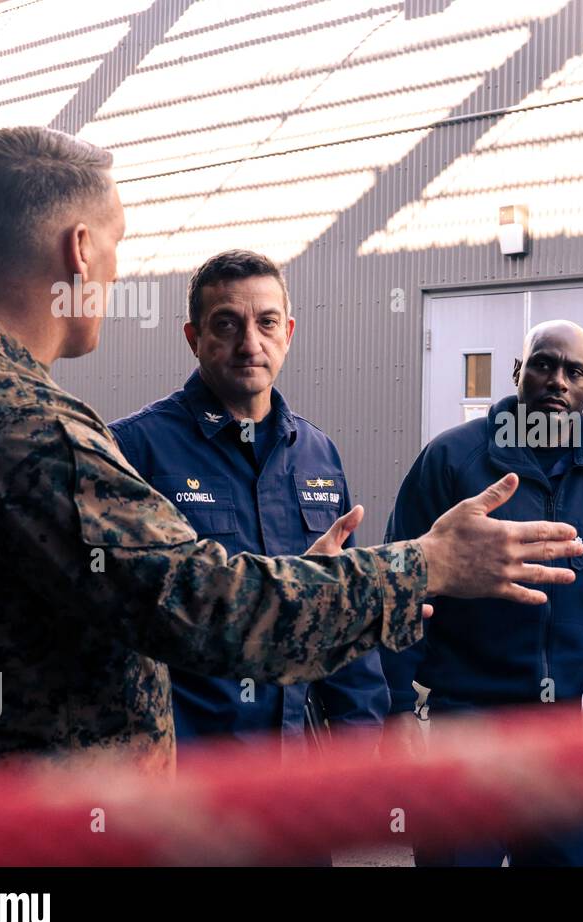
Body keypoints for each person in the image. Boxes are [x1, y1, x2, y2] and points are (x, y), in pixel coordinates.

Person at [0, 126, 583, 773]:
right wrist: (426, 565)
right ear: (80, 249)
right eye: (116, 246)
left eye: (266, 325)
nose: (114, 273)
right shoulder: (31, 429)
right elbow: (206, 605)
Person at [381, 319, 583, 866]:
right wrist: (395, 708)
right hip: (465, 727)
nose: (557, 381)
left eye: (574, 371)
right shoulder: (451, 462)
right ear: (518, 372)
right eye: (543, 364)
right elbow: (400, 585)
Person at [111, 249, 388, 759]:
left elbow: (345, 612)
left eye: (266, 323)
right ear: (193, 338)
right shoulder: (134, 450)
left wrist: (360, 743)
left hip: (293, 776)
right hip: (186, 778)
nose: (250, 344)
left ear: (289, 332)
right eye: (226, 325)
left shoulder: (317, 454)